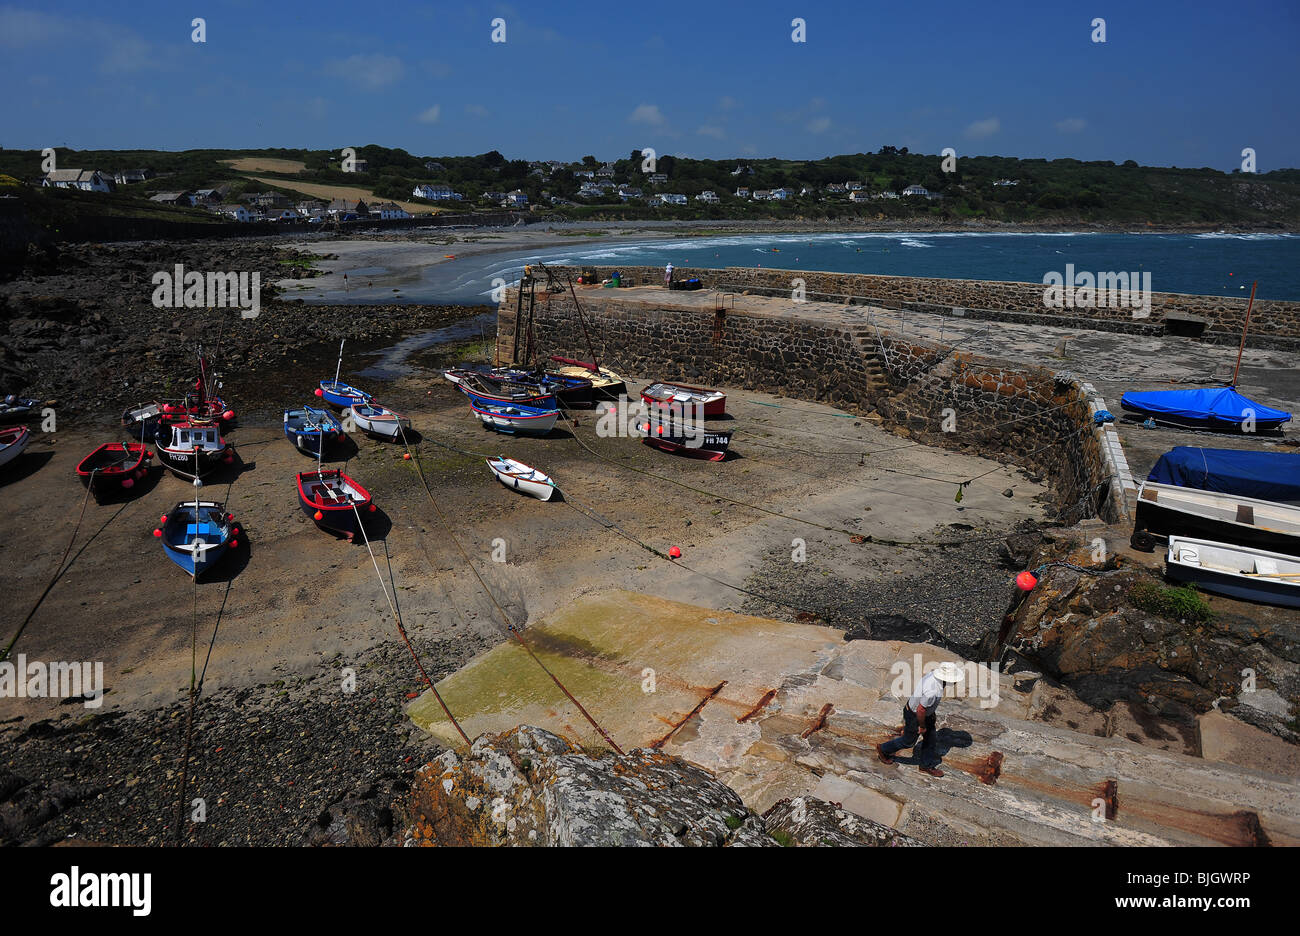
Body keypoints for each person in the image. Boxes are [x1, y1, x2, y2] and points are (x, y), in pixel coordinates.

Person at [877, 660, 964, 777]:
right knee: (908, 742)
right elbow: (921, 709)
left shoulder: (933, 675)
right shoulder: (933, 690)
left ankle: (926, 764)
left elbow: (924, 705)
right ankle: (884, 749)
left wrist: (931, 713)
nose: (955, 681)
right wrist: (922, 726)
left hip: (920, 712)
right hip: (916, 716)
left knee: (931, 738)